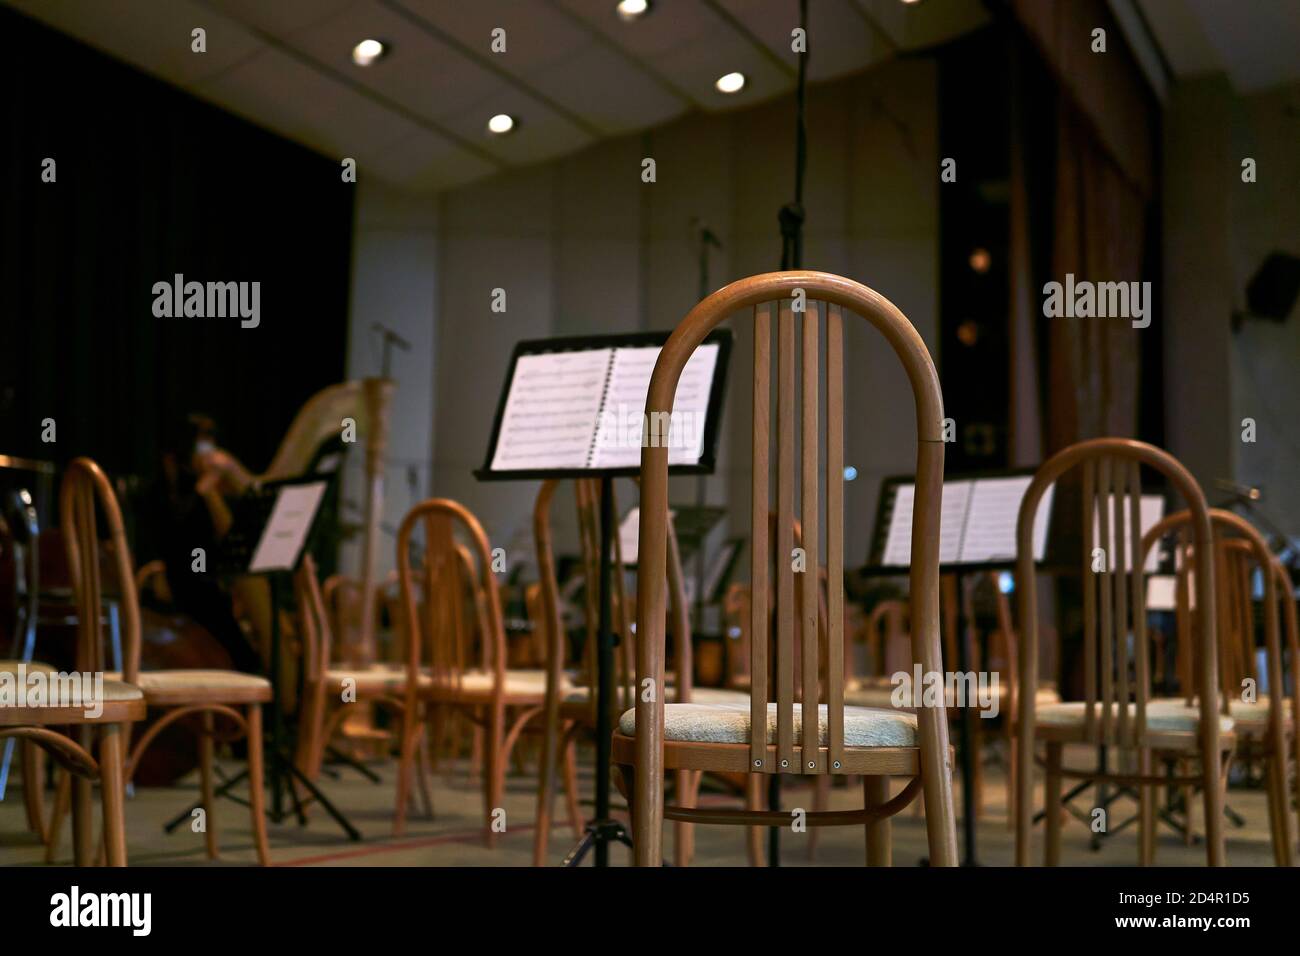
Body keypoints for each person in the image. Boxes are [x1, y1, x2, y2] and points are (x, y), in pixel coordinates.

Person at [144, 413, 263, 673]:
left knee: (246, 655)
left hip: (209, 592)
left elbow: (232, 534)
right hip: (184, 593)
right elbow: (174, 536)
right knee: (241, 656)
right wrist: (203, 492)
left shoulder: (209, 489)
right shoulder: (163, 492)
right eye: (201, 445)